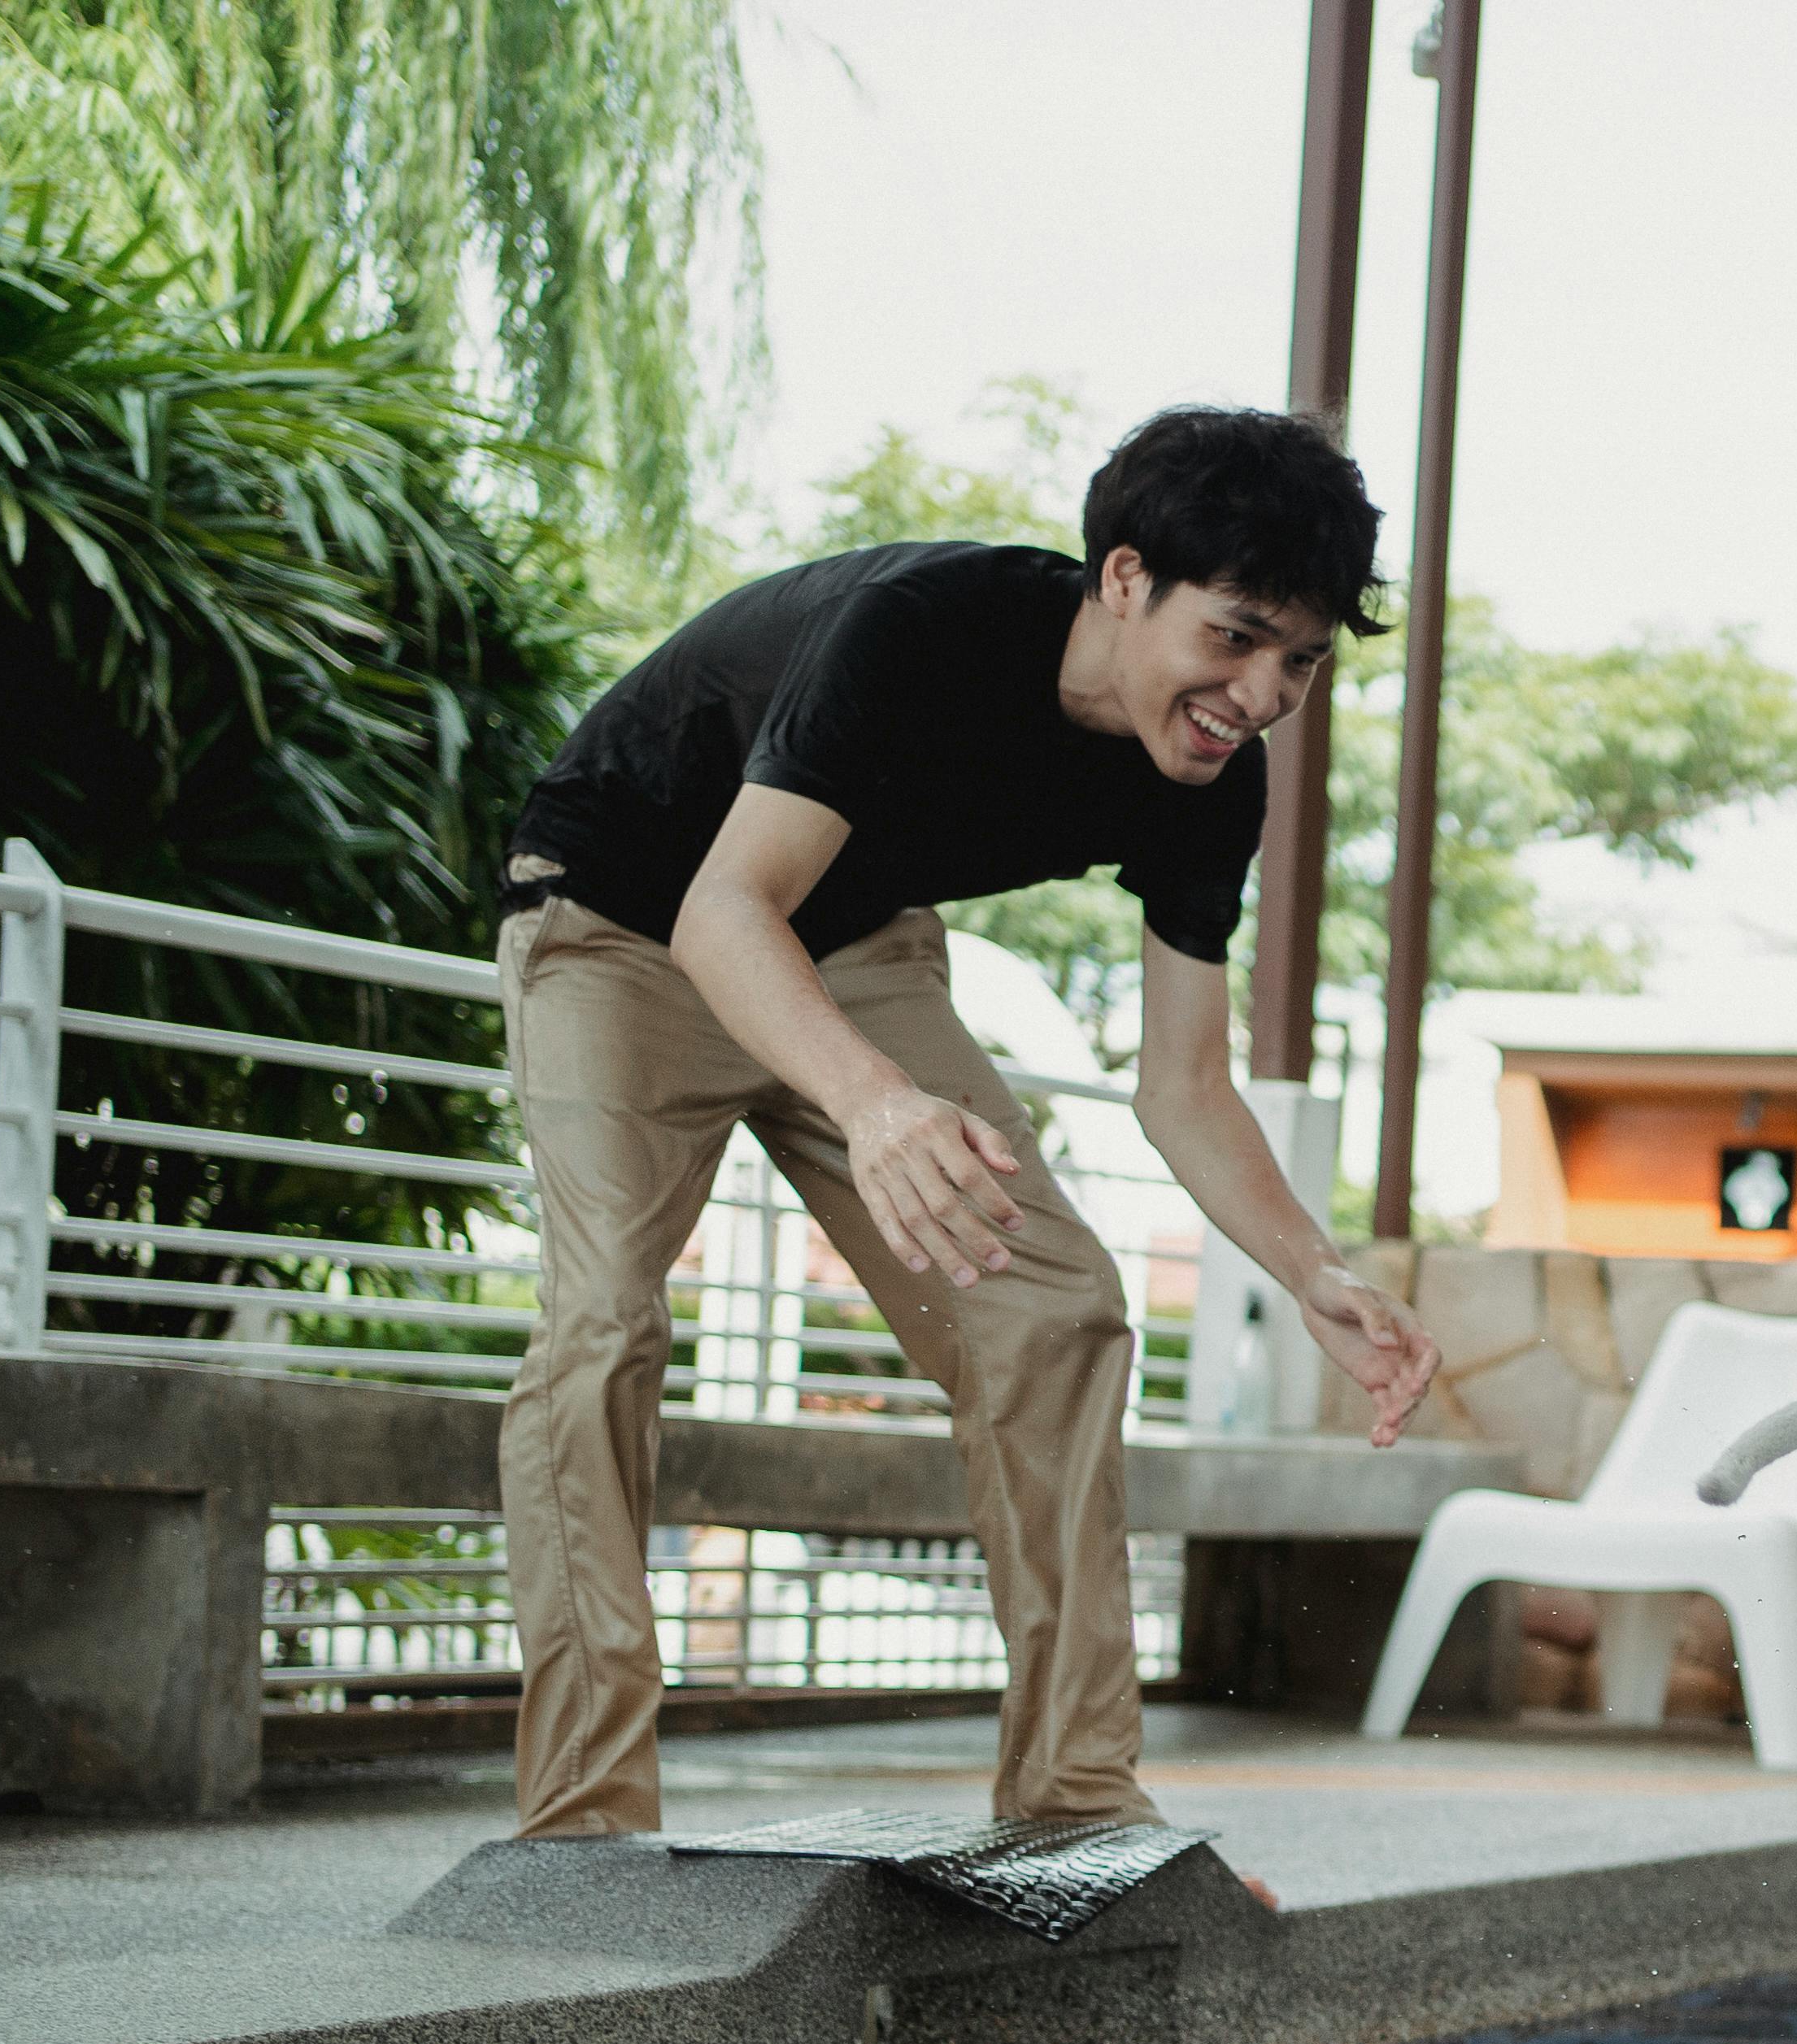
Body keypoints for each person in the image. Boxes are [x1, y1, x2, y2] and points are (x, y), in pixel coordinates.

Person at [489, 406, 1439, 1839]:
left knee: (1056, 1310)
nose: (1260, 694)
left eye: (1299, 660)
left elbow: (1183, 1083)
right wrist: (874, 1104)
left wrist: (1317, 1275)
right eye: (1234, 637)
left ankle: (1076, 1797)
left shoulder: (1207, 779)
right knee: (605, 1318)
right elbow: (721, 910)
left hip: (849, 940)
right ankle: (585, 1818)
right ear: (1125, 581)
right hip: (624, 913)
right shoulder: (914, 630)